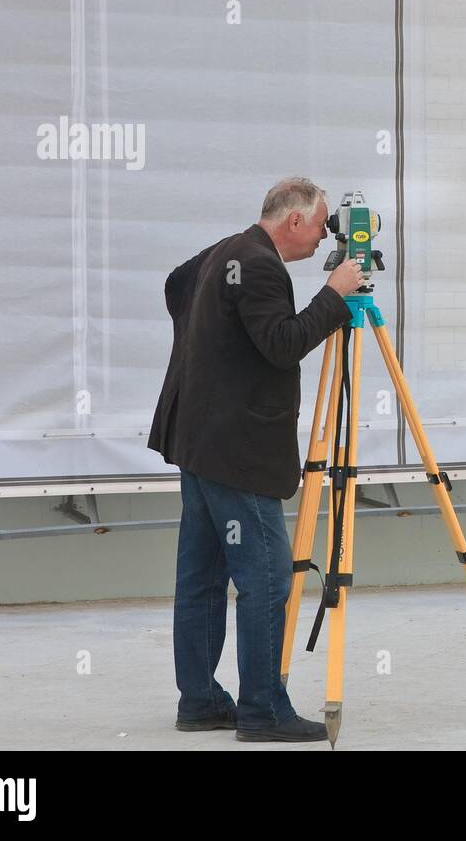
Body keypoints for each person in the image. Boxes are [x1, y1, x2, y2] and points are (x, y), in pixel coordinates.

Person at [149, 177, 363, 742]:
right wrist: (336, 295)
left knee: (200, 579)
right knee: (266, 579)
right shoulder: (261, 266)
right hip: (235, 452)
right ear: (294, 221)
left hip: (195, 442)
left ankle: (199, 701)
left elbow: (176, 287)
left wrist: (212, 347)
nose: (325, 239)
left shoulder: (225, 251)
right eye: (321, 226)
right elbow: (282, 343)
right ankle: (263, 710)